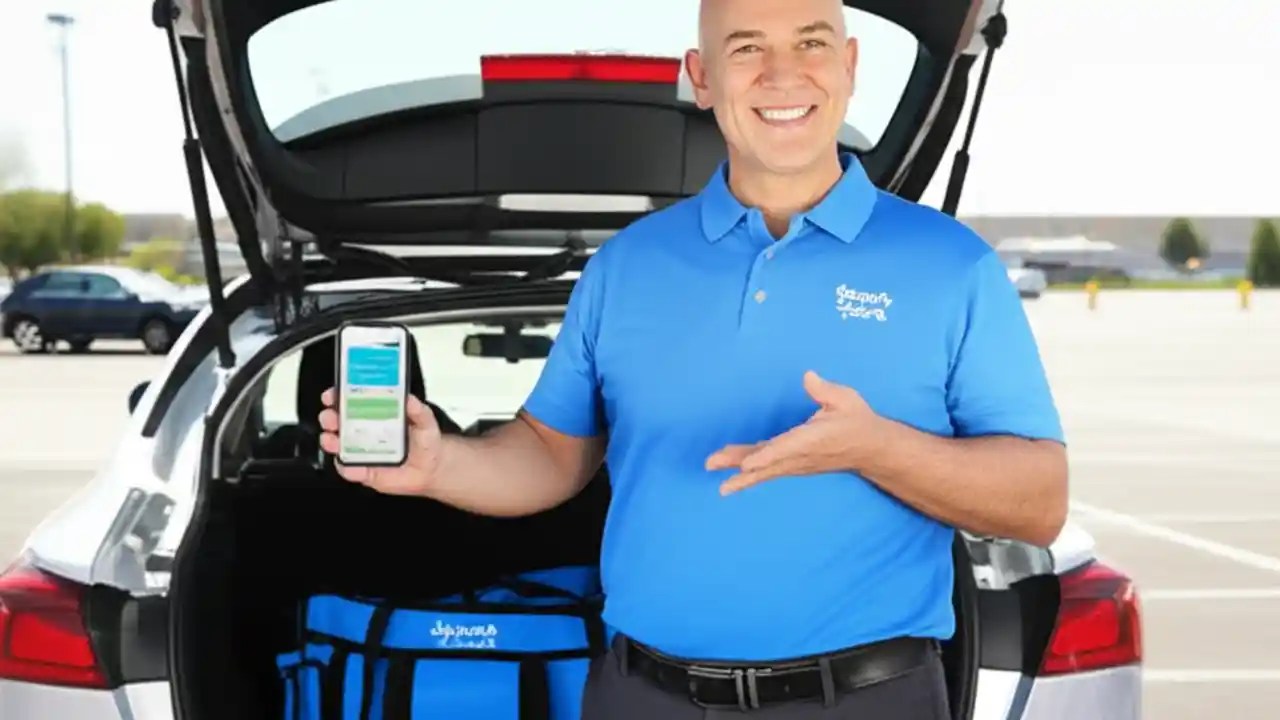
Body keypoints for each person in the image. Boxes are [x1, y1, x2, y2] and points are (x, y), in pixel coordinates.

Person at [318, 0, 1068, 716]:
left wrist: (878, 450)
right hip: (642, 698)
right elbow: (552, 454)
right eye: (747, 49)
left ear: (847, 65)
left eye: (810, 43)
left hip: (866, 703)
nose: (782, 75)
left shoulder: (951, 267)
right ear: (701, 77)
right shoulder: (626, 267)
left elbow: (1039, 503)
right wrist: (437, 463)